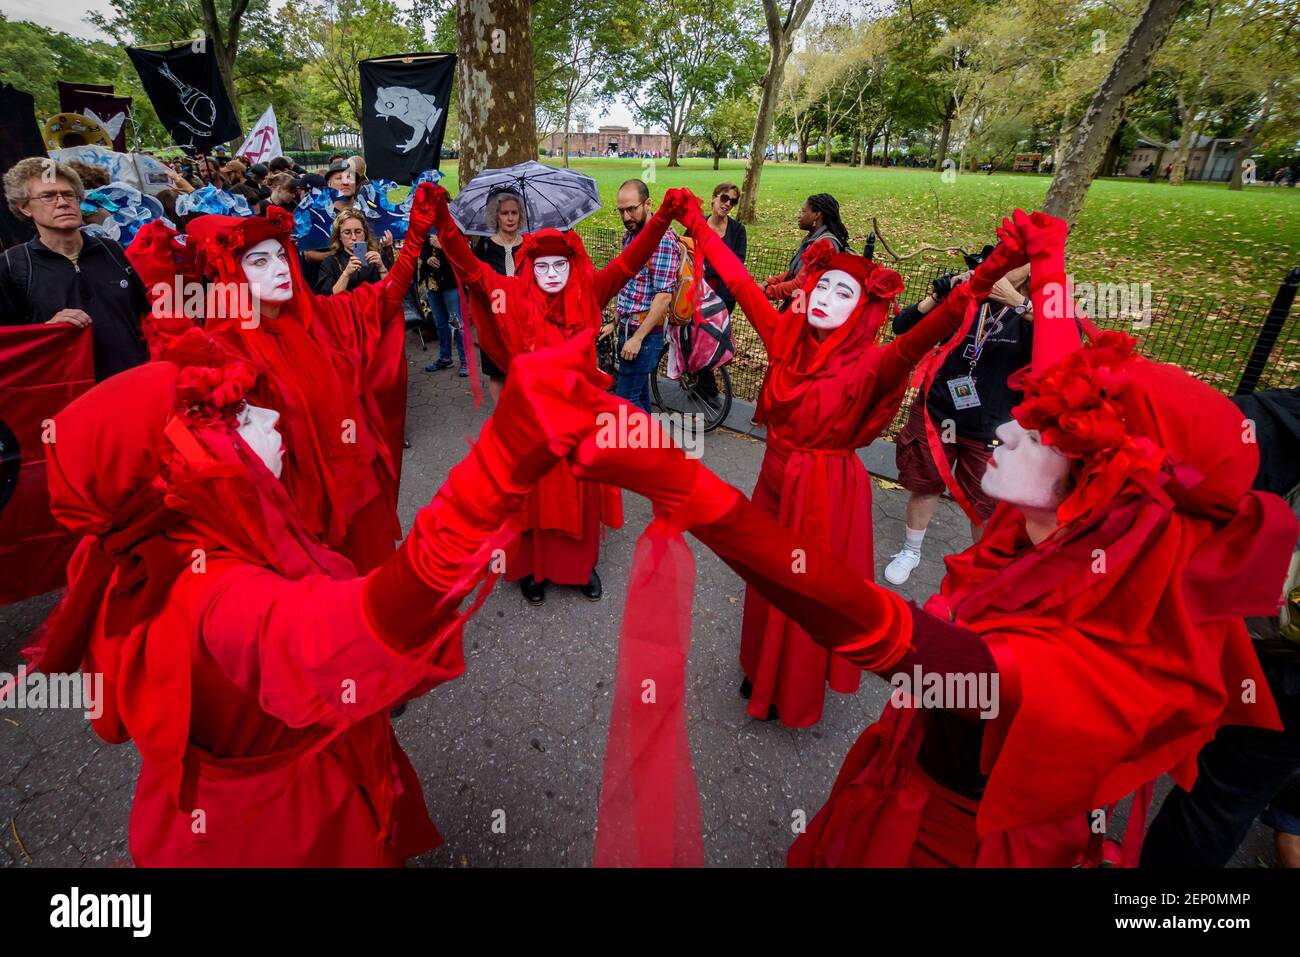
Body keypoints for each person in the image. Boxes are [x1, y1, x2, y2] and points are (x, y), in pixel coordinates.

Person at [781, 209, 1298, 867]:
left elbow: (877, 631)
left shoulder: (1058, 656)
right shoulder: (1043, 532)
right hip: (905, 777)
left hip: (949, 845)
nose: (1008, 428)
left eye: (1038, 430)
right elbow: (1062, 378)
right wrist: (1049, 262)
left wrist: (702, 501)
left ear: (1093, 485)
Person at [19, 325, 613, 866]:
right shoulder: (211, 594)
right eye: (233, 417)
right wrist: (495, 470)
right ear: (176, 475)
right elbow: (347, 630)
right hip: (283, 835)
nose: (269, 419)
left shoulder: (156, 549)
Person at [669, 187, 1017, 727]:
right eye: (823, 284)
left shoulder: (871, 363)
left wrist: (995, 268)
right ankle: (761, 666)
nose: (828, 295)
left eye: (845, 291)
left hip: (824, 489)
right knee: (768, 578)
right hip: (774, 477)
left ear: (863, 310)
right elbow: (737, 278)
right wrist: (695, 220)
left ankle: (796, 687)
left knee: (809, 588)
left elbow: (932, 327)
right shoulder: (786, 335)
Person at [127, 185, 441, 574]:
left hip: (357, 494)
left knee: (372, 597)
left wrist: (415, 235)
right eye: (258, 261)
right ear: (232, 274)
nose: (279, 268)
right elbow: (185, 401)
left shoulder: (318, 319)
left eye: (280, 256)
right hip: (296, 515)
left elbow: (387, 297)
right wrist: (165, 286)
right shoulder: (223, 348)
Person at [425, 182, 684, 605]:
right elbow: (470, 268)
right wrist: (442, 221)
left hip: (577, 423)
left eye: (558, 266)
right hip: (533, 426)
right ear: (529, 268)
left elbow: (631, 261)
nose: (550, 275)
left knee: (579, 497)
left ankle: (581, 567)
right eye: (541, 267)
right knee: (535, 497)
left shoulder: (590, 293)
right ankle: (535, 568)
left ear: (571, 266)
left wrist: (664, 218)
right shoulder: (510, 295)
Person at [883, 257, 1035, 585]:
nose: (1003, 267)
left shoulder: (1040, 302)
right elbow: (903, 329)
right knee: (925, 484)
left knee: (986, 505)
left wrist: (1018, 302)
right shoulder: (968, 294)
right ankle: (911, 550)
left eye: (1018, 262)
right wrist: (939, 298)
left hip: (993, 427)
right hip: (939, 413)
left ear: (1031, 270)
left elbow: (1066, 342)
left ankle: (980, 569)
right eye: (999, 258)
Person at [0, 158, 148, 381]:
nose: (62, 203)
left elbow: (147, 313)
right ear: (24, 207)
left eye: (69, 194)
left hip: (135, 384)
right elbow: (9, 344)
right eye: (48, 196)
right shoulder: (13, 265)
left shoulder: (113, 250)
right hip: (70, 398)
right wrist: (46, 330)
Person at [605, 178, 679, 414]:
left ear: (647, 204)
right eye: (621, 211)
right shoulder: (631, 237)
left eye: (632, 209)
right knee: (639, 398)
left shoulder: (662, 241)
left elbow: (663, 297)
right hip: (628, 327)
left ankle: (638, 448)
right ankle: (650, 447)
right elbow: (631, 286)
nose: (626, 217)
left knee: (626, 403)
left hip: (644, 334)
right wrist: (615, 321)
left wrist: (637, 339)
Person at [469, 187, 527, 404]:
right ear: (496, 216)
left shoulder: (529, 246)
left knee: (523, 370)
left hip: (523, 322)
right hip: (494, 321)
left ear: (520, 215)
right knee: (497, 372)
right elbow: (476, 284)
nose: (510, 218)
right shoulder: (484, 246)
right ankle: (502, 417)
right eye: (505, 213)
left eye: (514, 212)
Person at [761, 193, 849, 308]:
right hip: (799, 306)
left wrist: (767, 291)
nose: (799, 216)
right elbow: (796, 273)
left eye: (803, 211)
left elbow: (800, 284)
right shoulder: (812, 239)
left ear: (817, 214)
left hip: (808, 311)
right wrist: (768, 282)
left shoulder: (825, 245)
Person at [420, 231, 467, 376]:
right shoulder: (426, 228)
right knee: (440, 323)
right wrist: (427, 258)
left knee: (456, 323)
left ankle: (465, 361)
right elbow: (420, 249)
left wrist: (443, 247)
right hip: (433, 284)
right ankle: (445, 358)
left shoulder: (452, 227)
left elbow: (462, 255)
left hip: (450, 285)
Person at [314, 210, 393, 296]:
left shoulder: (378, 256)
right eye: (347, 233)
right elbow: (329, 298)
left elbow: (393, 293)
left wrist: (382, 268)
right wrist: (346, 274)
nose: (354, 237)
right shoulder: (330, 262)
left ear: (365, 233)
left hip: (375, 307)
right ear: (339, 236)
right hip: (345, 308)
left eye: (358, 232)